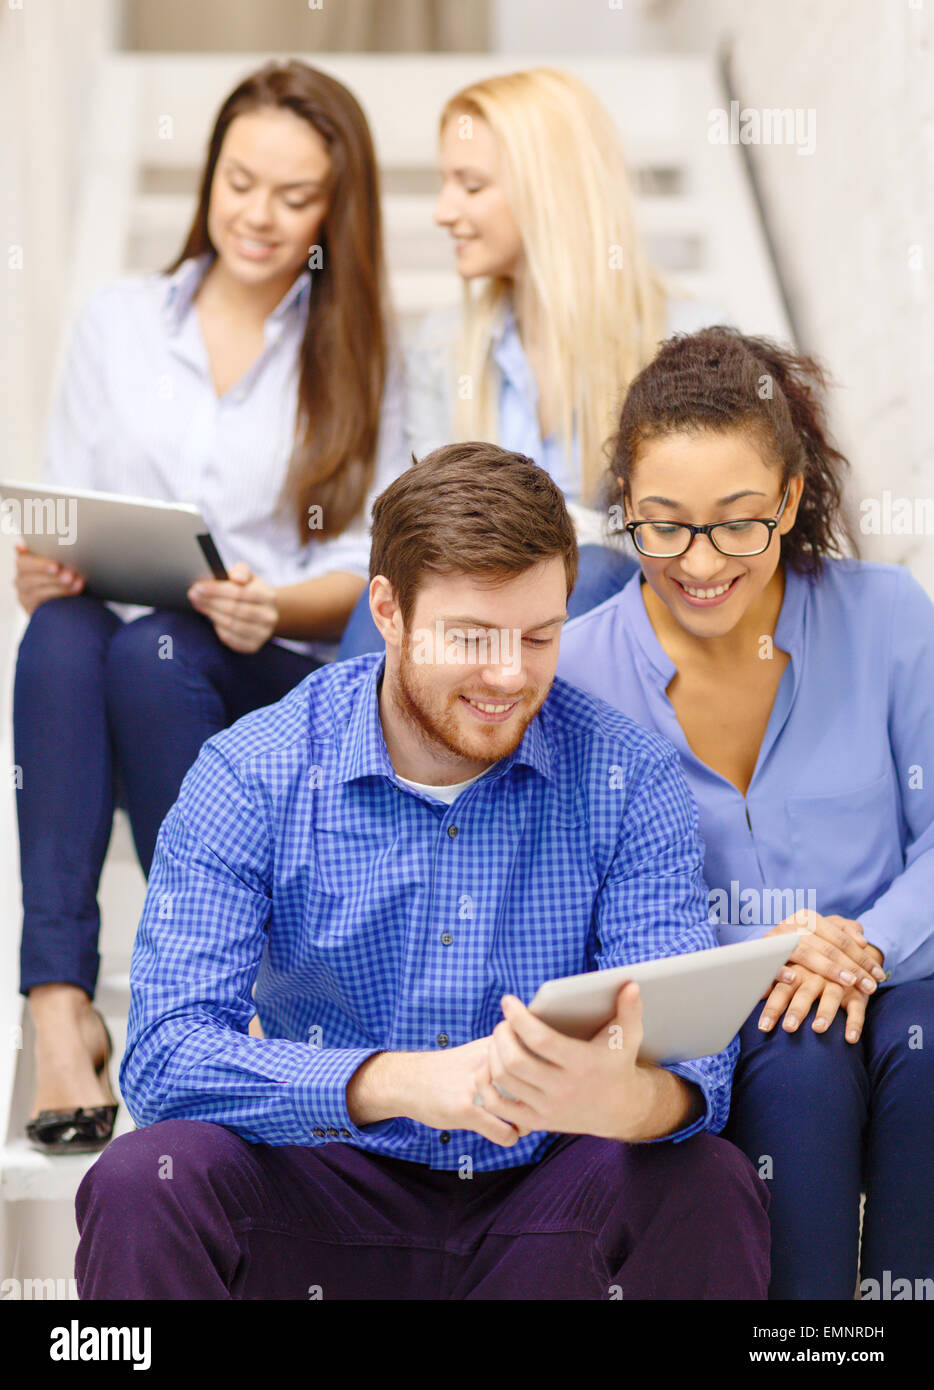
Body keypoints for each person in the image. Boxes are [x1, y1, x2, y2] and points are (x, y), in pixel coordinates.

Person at [73, 443, 770, 1301]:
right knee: (145, 1180)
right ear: (389, 612)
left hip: (539, 1207)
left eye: (540, 636)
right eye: (472, 637)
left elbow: (697, 1072)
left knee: (706, 1184)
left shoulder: (629, 776)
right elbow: (165, 1058)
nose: (510, 676)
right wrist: (402, 1082)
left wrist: (614, 1100)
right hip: (323, 1193)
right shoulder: (252, 772)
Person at [13, 59, 405, 1155]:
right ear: (209, 176)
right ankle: (59, 1002)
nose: (259, 217)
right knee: (60, 631)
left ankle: (215, 991)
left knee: (160, 652)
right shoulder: (119, 321)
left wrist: (272, 599)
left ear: (337, 209)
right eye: (241, 183)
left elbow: (380, 566)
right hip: (138, 653)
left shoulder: (365, 350)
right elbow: (67, 505)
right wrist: (40, 568)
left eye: (295, 197)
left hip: (271, 664)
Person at [557, 326, 934, 1299]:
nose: (700, 560)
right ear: (625, 514)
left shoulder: (888, 615)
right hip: (714, 1007)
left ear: (792, 500)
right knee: (798, 1060)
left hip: (899, 976)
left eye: (737, 521)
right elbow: (579, 901)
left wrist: (863, 946)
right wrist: (769, 950)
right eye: (664, 524)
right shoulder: (573, 675)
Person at [338, 66, 721, 657]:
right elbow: (423, 524)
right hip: (474, 598)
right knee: (392, 595)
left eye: (469, 185)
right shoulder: (445, 348)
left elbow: (683, 527)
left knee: (585, 571)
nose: (443, 211)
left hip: (617, 607)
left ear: (550, 190)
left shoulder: (684, 341)